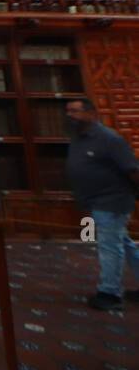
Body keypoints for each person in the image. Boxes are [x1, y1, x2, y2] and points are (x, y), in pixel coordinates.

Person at [65, 98, 139, 310]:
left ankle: (110, 294)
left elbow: (132, 170)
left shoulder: (109, 139)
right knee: (122, 243)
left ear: (91, 113)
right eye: (68, 111)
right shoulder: (78, 137)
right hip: (95, 200)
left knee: (110, 247)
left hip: (112, 200)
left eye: (75, 111)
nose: (70, 115)